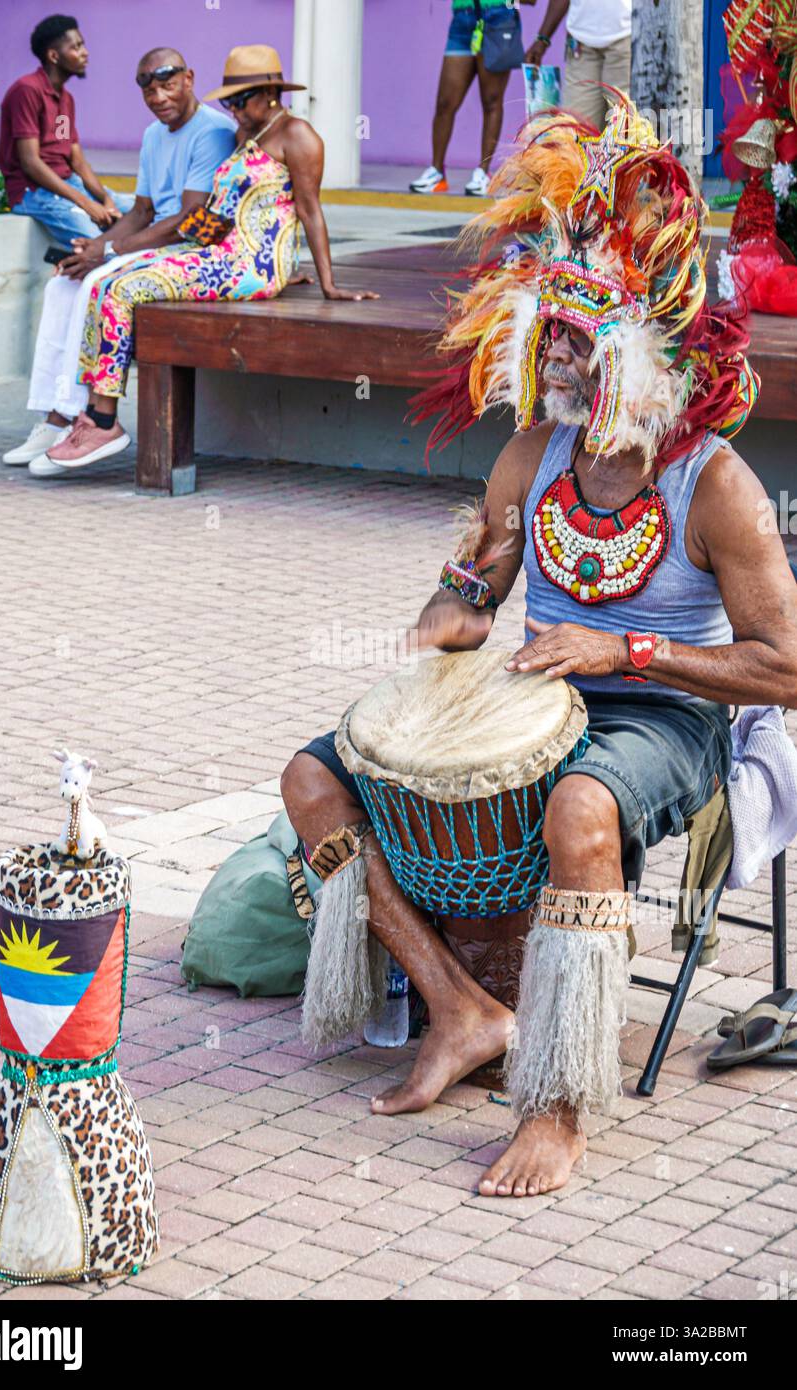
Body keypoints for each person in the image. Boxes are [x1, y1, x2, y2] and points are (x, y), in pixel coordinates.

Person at [281, 97, 797, 1199]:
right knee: (314, 774)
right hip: (534, 692)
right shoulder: (531, 453)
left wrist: (623, 658)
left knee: (577, 809)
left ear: (645, 351)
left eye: (577, 338)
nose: (552, 353)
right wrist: (443, 623)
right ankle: (461, 1007)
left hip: (664, 710)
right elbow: (472, 590)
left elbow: (786, 669)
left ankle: (556, 1106)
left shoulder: (716, 486)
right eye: (545, 332)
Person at [32, 44, 379, 475]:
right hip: (220, 253)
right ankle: (83, 413)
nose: (233, 109)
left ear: (271, 92)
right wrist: (150, 247)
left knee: (122, 290)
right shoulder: (244, 136)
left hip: (250, 266)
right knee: (106, 279)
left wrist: (328, 283)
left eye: (240, 99)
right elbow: (221, 214)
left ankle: (104, 421)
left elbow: (309, 211)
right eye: (229, 101)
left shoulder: (298, 135)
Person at [3, 48, 235, 471]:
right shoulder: (152, 135)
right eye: (150, 91)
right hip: (151, 237)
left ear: (189, 79)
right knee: (63, 283)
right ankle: (53, 416)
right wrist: (93, 247)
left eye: (168, 86)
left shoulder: (213, 131)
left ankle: (82, 415)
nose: (159, 98)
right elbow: (142, 211)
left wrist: (107, 251)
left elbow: (187, 219)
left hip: (187, 247)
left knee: (95, 284)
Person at [0, 14, 134, 247]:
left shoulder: (65, 99)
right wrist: (86, 203)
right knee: (97, 243)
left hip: (67, 183)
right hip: (32, 192)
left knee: (139, 213)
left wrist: (105, 199)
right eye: (76, 46)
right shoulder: (27, 91)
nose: (85, 52)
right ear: (54, 55)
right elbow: (31, 163)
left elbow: (76, 159)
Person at [411, 0, 533, 197]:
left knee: (491, 101)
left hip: (498, 17)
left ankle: (483, 173)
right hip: (463, 18)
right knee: (445, 103)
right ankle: (436, 172)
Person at [525, 0, 631, 131]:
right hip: (581, 45)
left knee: (627, 133)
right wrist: (542, 39)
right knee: (574, 134)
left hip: (627, 40)